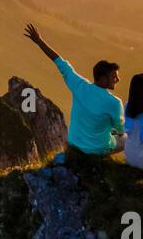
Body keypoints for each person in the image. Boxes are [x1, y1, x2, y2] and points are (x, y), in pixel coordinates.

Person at [23, 23, 124, 162]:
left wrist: (39, 41)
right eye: (114, 76)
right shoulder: (114, 102)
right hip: (97, 150)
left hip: (75, 145)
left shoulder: (79, 85)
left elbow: (59, 62)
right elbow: (120, 130)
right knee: (127, 138)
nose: (117, 79)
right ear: (102, 78)